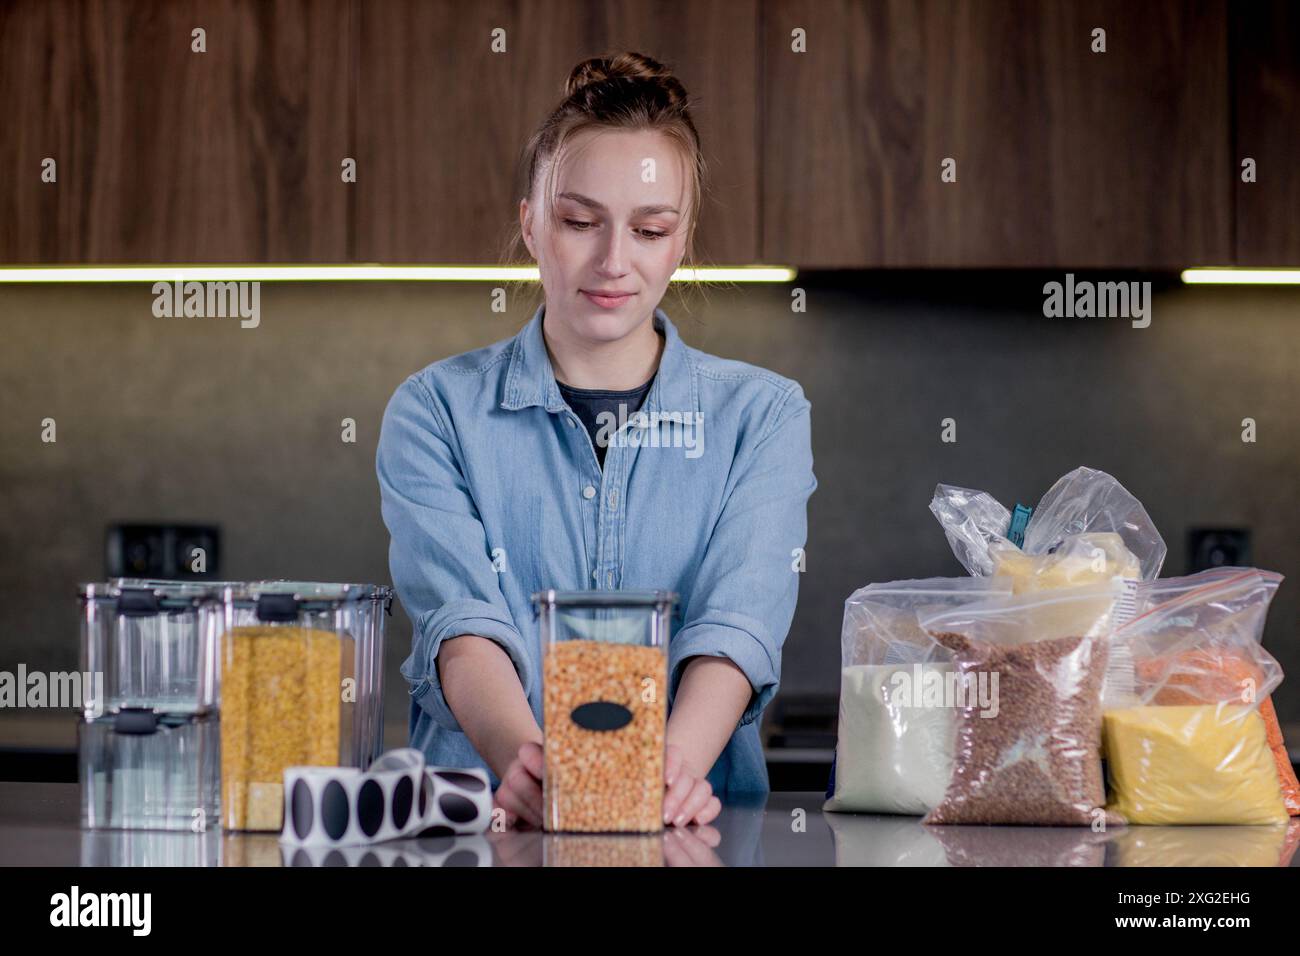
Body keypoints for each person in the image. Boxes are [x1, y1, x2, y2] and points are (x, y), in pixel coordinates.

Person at [376, 51, 816, 829]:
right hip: (485, 833)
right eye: (580, 222)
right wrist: (534, 771)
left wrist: (665, 778)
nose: (615, 261)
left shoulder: (763, 416)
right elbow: (464, 628)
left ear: (681, 241)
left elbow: (735, 625)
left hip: (690, 833)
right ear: (531, 224)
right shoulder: (434, 411)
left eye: (650, 229)